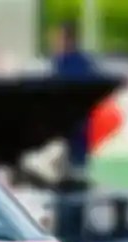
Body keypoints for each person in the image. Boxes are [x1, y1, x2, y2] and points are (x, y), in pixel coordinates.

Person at [48, 23, 96, 171]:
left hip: (76, 122)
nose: (57, 43)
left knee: (76, 161)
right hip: (63, 121)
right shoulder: (57, 62)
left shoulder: (78, 64)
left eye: (60, 39)